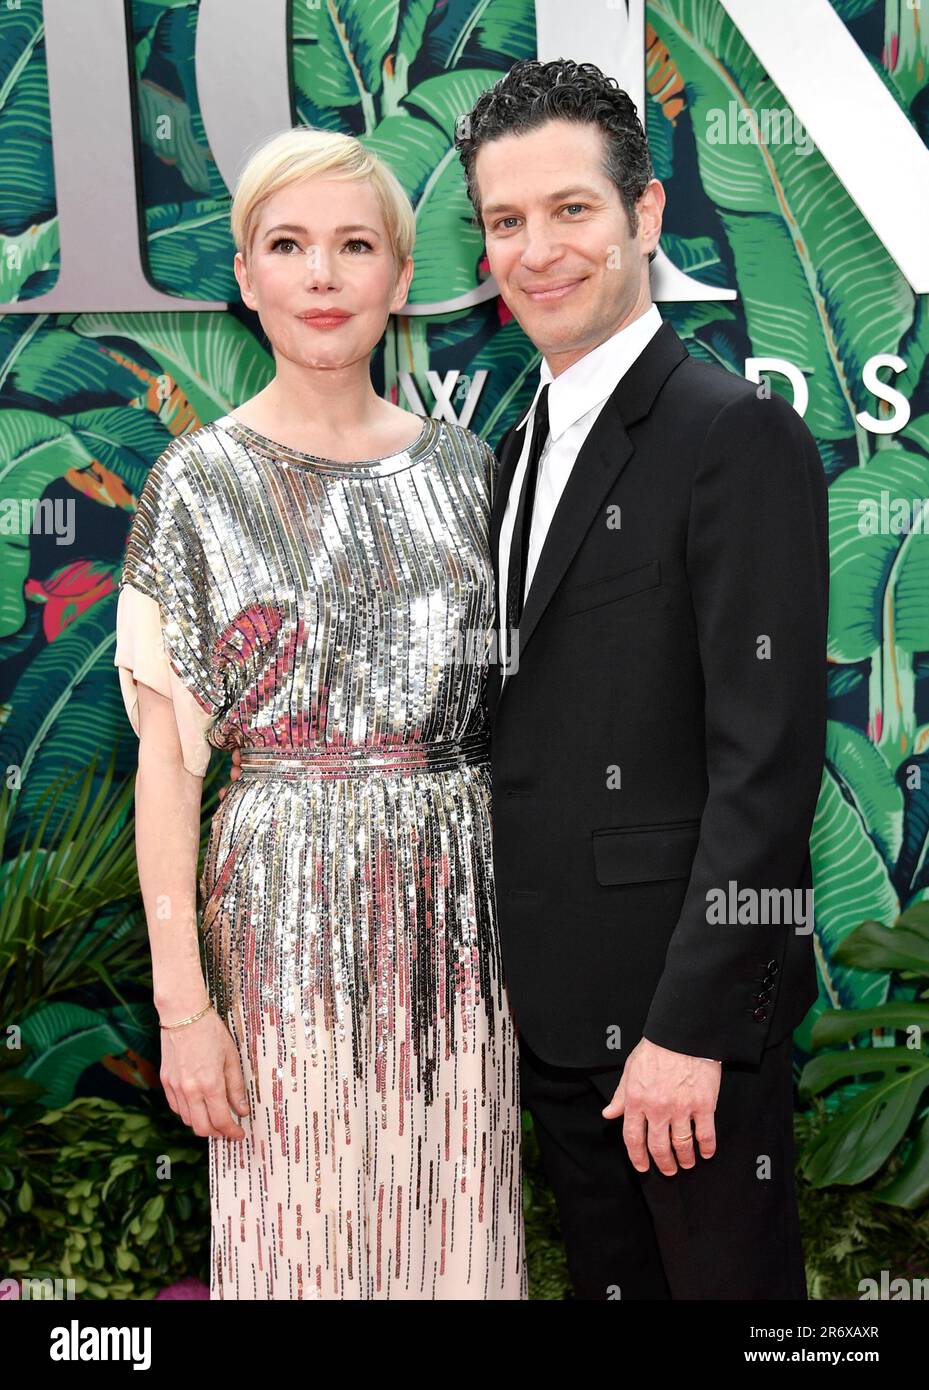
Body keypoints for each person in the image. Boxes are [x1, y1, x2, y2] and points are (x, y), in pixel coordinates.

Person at [114, 126, 526, 1300]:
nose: (323, 275)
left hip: (457, 922)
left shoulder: (472, 474)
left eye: (354, 245)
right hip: (273, 933)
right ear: (244, 277)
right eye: (288, 245)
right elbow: (166, 771)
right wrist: (182, 1008)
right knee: (299, 1242)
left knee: (452, 1229)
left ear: (401, 276)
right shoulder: (195, 483)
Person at [454, 58, 826, 1300]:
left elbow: (765, 770)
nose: (536, 249)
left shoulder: (730, 433)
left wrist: (692, 1030)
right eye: (505, 222)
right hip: (557, 1021)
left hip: (681, 1039)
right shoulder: (515, 451)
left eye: (570, 211)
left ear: (645, 216)